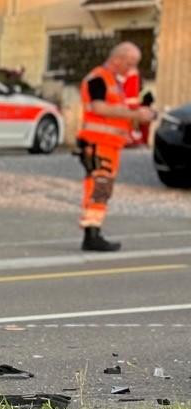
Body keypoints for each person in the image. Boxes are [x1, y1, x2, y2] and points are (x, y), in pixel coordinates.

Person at [76, 41, 157, 252]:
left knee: (101, 189)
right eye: (129, 63)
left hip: (108, 144)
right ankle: (91, 235)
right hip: (97, 143)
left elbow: (116, 111)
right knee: (99, 188)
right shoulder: (98, 78)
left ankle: (93, 231)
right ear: (117, 59)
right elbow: (99, 107)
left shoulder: (113, 81)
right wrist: (134, 114)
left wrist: (141, 112)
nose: (131, 69)